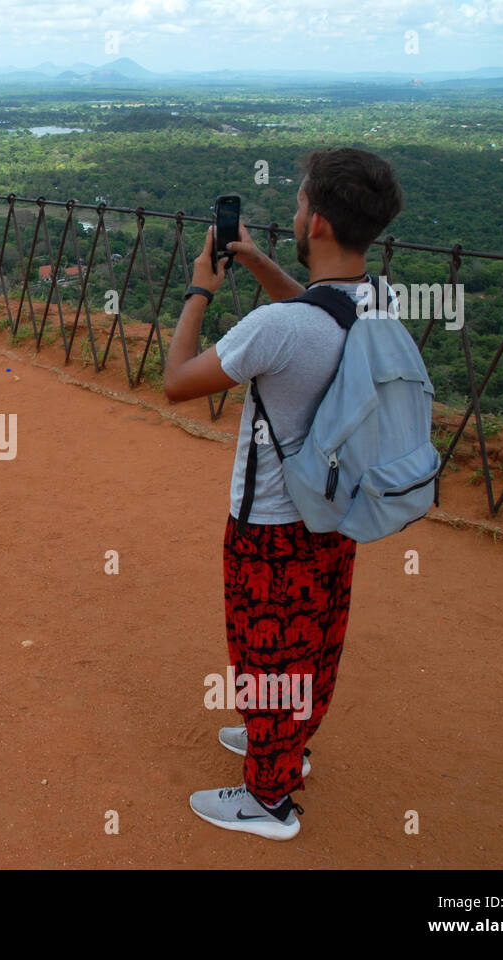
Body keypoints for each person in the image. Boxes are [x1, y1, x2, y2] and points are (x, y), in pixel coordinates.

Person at [162, 147, 404, 840]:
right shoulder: (376, 301)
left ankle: (269, 799)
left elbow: (178, 379)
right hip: (335, 512)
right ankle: (286, 747)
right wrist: (262, 262)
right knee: (316, 641)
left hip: (271, 520)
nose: (294, 215)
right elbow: (318, 315)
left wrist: (201, 287)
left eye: (300, 206)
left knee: (266, 652)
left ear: (319, 224)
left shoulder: (277, 330)